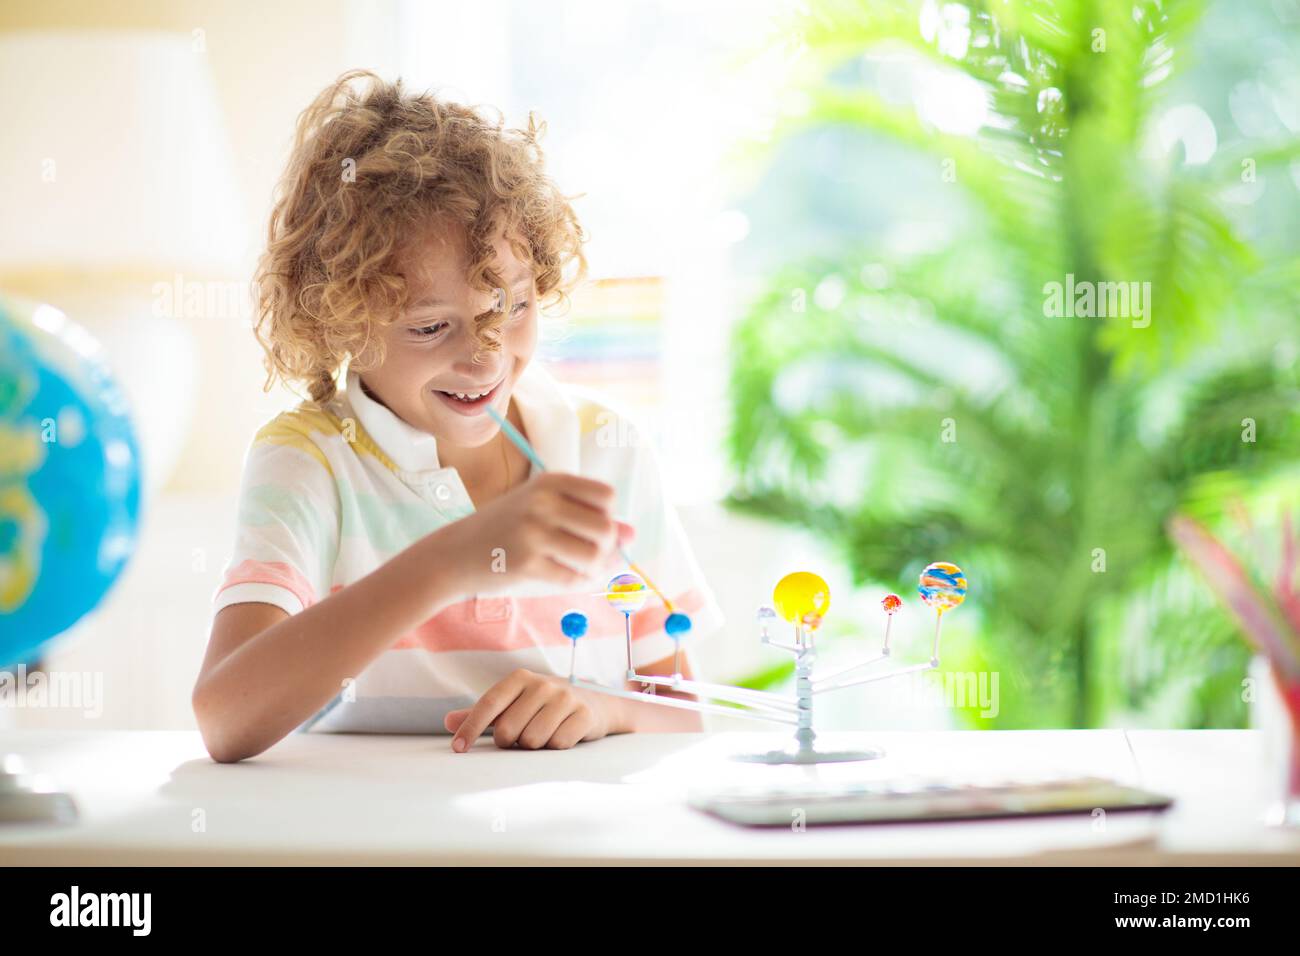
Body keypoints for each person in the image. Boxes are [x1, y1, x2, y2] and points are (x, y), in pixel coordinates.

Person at [191, 70, 724, 763]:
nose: (486, 357)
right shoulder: (312, 459)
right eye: (431, 327)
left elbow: (683, 716)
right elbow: (226, 721)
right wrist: (453, 560)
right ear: (342, 323)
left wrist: (601, 707)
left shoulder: (605, 448)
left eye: (513, 307)